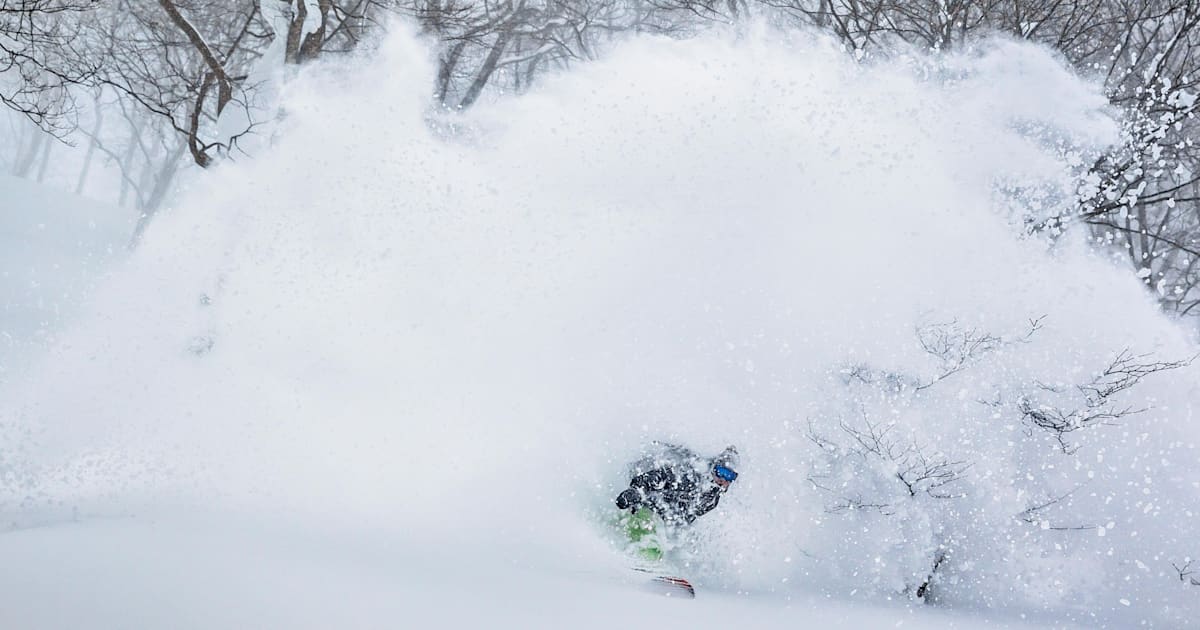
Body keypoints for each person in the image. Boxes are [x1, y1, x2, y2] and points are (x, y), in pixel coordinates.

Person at [614, 445, 739, 561]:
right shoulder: (691, 476)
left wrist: (677, 533)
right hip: (647, 499)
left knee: (685, 541)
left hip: (665, 513)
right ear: (713, 468)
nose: (723, 479)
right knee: (648, 529)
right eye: (721, 472)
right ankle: (641, 560)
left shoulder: (711, 500)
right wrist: (636, 492)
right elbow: (658, 476)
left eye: (729, 476)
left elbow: (687, 517)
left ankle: (669, 564)